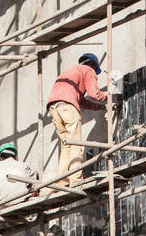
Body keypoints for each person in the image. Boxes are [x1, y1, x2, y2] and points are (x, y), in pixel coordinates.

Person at [45, 52, 108, 187]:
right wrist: (109, 95)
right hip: (68, 106)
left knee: (66, 144)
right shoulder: (88, 70)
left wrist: (98, 108)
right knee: (76, 143)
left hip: (54, 107)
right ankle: (75, 179)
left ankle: (62, 181)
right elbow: (94, 94)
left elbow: (82, 100)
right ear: (92, 65)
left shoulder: (71, 71)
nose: (95, 74)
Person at [0, 142, 37, 206]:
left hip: (2, 204)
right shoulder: (23, 165)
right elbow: (33, 184)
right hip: (22, 202)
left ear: (0, 157)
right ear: (14, 157)